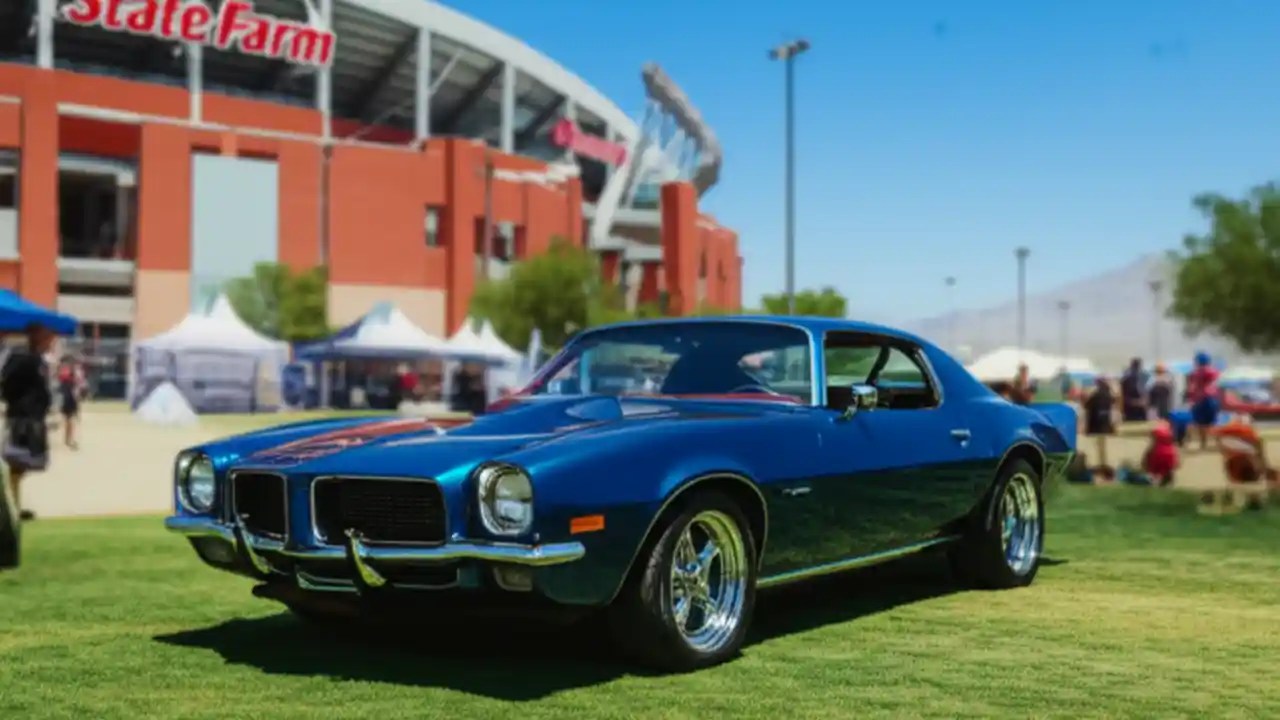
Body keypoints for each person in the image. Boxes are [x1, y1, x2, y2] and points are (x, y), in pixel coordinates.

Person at [1, 323, 56, 522]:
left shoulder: (36, 359)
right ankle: (11, 506)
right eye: (48, 337)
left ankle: (14, 505)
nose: (51, 341)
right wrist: (24, 404)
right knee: (17, 462)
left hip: (32, 416)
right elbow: (8, 385)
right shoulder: (23, 358)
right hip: (23, 418)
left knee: (22, 464)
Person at [1185, 351, 1221, 450]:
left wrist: (1190, 398)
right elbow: (1215, 377)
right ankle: (1218, 442)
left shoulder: (1194, 373)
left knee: (1200, 423)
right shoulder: (1212, 371)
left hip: (1199, 399)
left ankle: (1203, 443)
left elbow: (1191, 387)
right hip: (1212, 398)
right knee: (1213, 422)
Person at [1083, 375, 1116, 479]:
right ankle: (1105, 467)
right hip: (1106, 424)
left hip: (1096, 424)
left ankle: (1100, 468)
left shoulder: (1095, 395)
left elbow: (1087, 406)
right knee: (1105, 447)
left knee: (1098, 447)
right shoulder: (1109, 395)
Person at [56, 356, 84, 449]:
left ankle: (68, 439)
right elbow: (78, 383)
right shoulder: (72, 370)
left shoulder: (64, 370)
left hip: (67, 395)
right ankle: (69, 439)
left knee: (68, 418)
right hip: (69, 395)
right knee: (70, 418)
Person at [1120, 358, 1147, 422]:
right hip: (1138, 405)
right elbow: (1144, 392)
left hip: (1129, 405)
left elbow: (1123, 393)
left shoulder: (1125, 377)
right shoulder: (1143, 376)